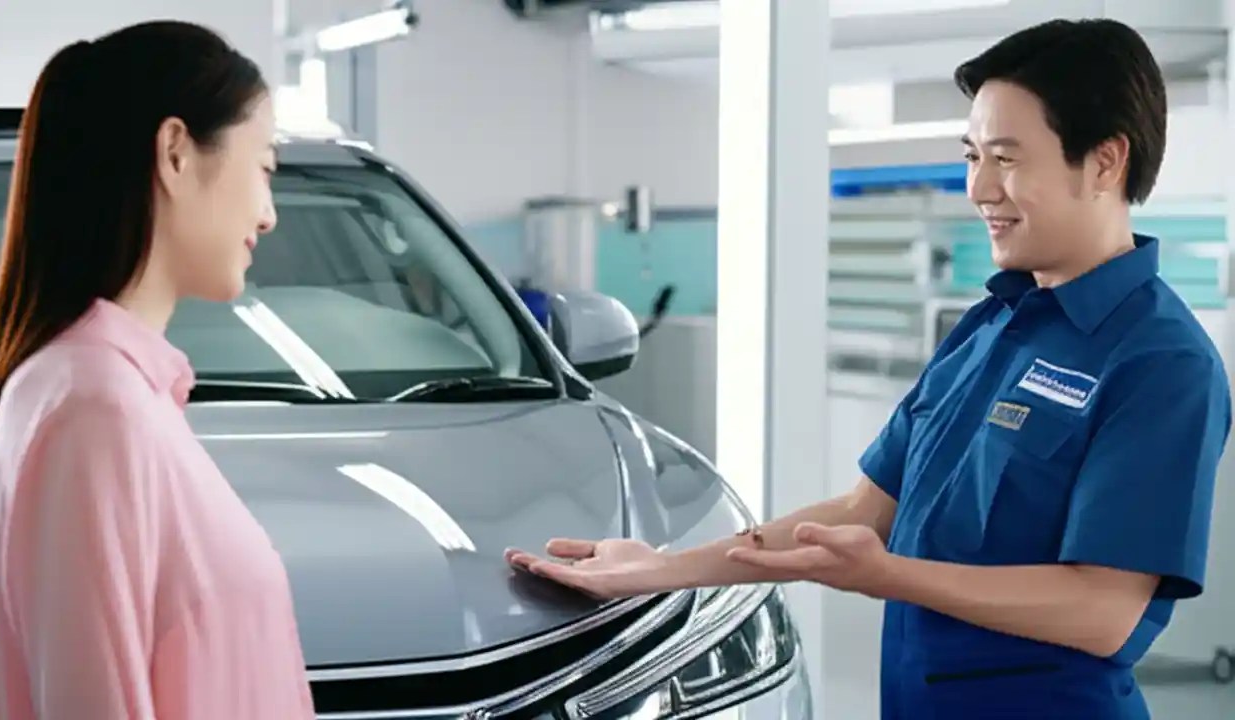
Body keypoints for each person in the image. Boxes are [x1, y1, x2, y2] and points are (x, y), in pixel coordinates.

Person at [506, 18, 1230, 720]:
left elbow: (1102, 611)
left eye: (1006, 158)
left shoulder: (1160, 362)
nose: (978, 188)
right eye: (973, 154)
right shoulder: (992, 325)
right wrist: (660, 569)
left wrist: (889, 577)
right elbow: (860, 515)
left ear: (1105, 161)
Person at [0, 21, 315, 720]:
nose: (269, 215)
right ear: (177, 153)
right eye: (264, 167)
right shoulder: (94, 407)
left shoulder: (119, 393)